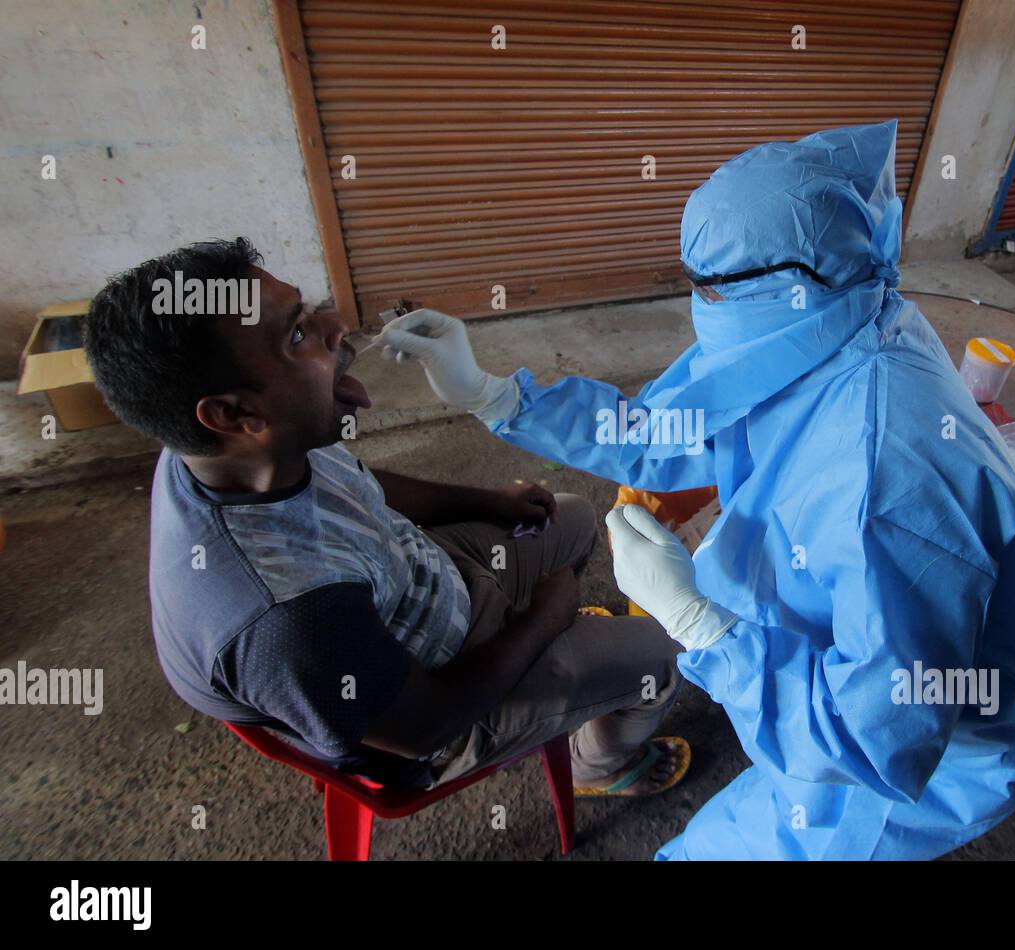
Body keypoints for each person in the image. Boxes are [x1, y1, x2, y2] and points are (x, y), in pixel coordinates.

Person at [379, 120, 1015, 859]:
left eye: (710, 284)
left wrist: (704, 625)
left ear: (798, 281)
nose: (699, 302)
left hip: (916, 770)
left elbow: (874, 739)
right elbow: (667, 429)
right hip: (830, 670)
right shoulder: (830, 321)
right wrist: (495, 397)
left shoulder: (886, 480)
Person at [84, 238, 689, 799]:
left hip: (418, 586)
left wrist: (488, 503)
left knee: (574, 517)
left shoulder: (242, 448)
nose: (335, 327)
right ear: (235, 412)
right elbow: (424, 726)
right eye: (298, 336)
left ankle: (560, 649)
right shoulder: (283, 615)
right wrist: (541, 622)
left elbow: (361, 486)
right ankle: (600, 765)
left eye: (307, 311)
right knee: (667, 650)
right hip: (441, 706)